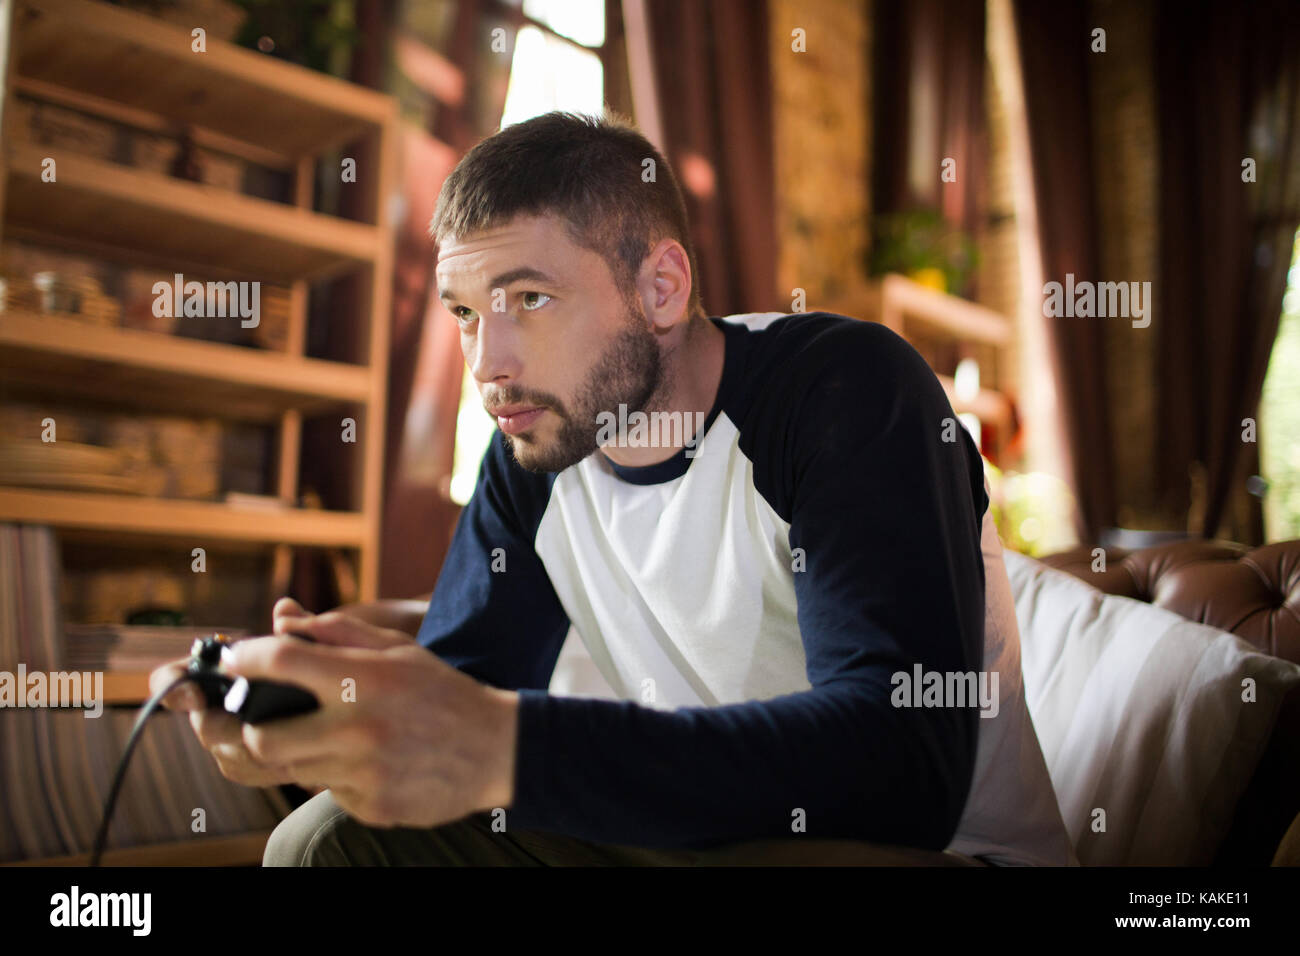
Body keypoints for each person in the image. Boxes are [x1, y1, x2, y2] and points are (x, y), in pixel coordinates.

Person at [150, 111, 1076, 867]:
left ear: (662, 286)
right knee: (325, 844)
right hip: (699, 840)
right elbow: (453, 713)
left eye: (530, 300)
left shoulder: (846, 390)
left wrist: (510, 749)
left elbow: (902, 767)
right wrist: (333, 718)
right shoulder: (536, 454)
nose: (488, 364)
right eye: (466, 315)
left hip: (928, 855)